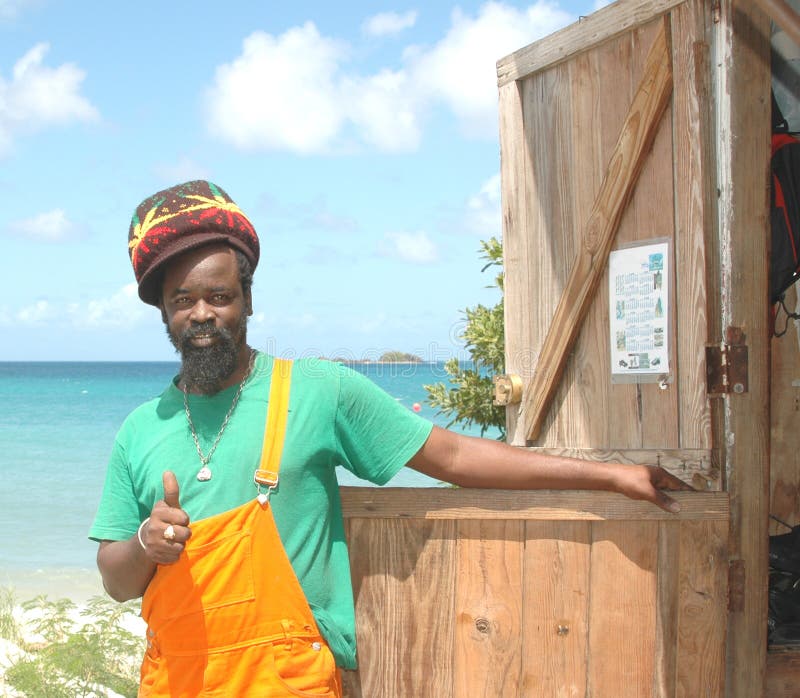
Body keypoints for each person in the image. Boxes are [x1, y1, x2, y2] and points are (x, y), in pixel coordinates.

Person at [89, 180, 692, 697]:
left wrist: (610, 474)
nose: (202, 313)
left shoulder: (317, 391)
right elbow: (117, 581)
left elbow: (453, 456)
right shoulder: (141, 430)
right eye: (183, 301)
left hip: (286, 682)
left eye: (219, 297)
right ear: (162, 311)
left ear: (247, 300)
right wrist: (146, 542)